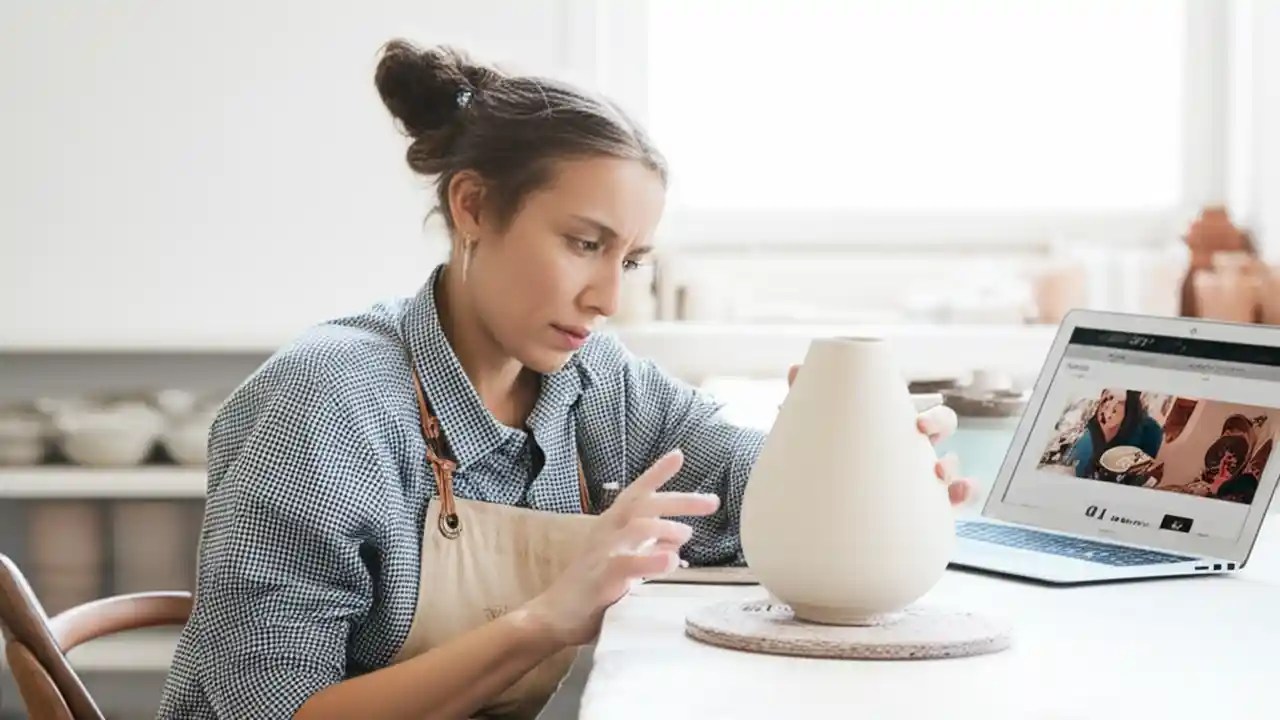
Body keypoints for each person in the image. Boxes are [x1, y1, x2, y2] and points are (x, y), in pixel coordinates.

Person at [156, 41, 973, 720]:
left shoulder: (591, 383)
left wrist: (841, 456)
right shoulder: (324, 408)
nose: (609, 298)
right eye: (584, 243)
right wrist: (546, 619)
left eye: (632, 260)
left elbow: (736, 483)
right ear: (474, 207)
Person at [1069, 388, 1163, 481]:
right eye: (1105, 402)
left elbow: (1145, 471)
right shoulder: (1086, 430)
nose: (1108, 412)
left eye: (1115, 407)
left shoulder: (1149, 430)